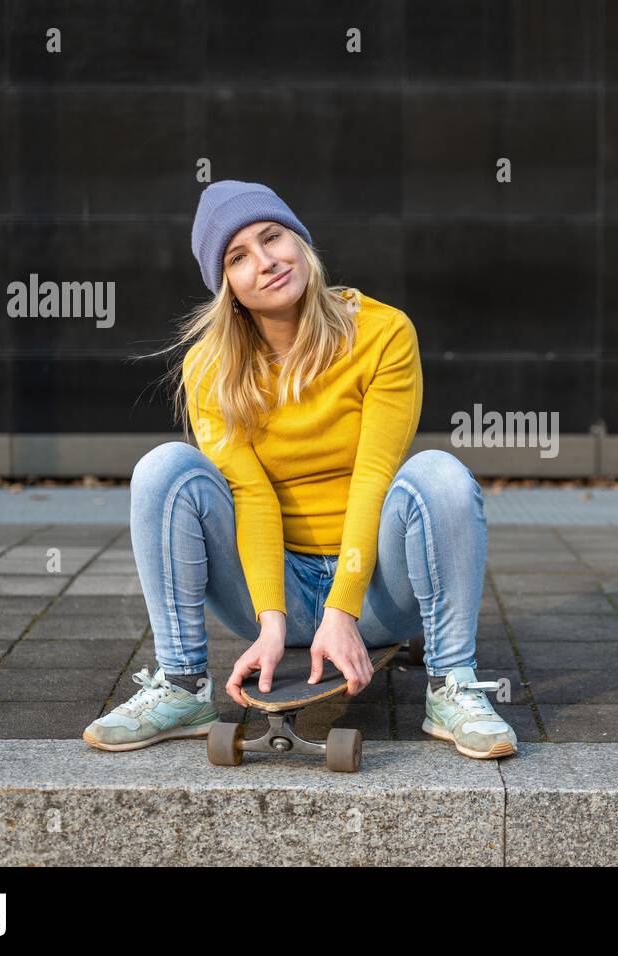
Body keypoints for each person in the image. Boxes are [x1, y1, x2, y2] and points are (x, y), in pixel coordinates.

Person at [82, 179, 517, 760]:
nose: (265, 263)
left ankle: (453, 685)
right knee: (166, 468)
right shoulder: (210, 366)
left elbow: (373, 477)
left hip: (376, 595)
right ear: (227, 288)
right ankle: (182, 684)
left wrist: (342, 610)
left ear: (300, 242)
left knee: (438, 474)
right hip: (272, 590)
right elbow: (251, 496)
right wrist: (270, 623)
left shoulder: (383, 333)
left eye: (272, 237)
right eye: (238, 258)